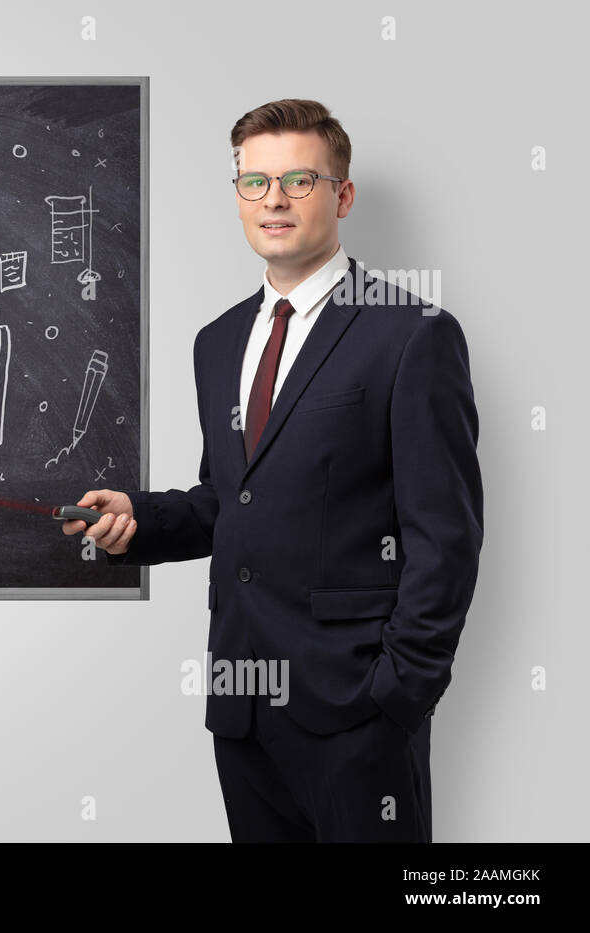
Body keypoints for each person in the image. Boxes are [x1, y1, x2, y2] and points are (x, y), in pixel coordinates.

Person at [62, 99, 483, 842]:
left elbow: (445, 537)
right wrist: (141, 518)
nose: (274, 200)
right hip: (242, 703)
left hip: (356, 711)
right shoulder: (217, 341)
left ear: (342, 194)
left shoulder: (412, 335)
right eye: (253, 183)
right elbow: (232, 498)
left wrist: (398, 692)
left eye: (297, 179)